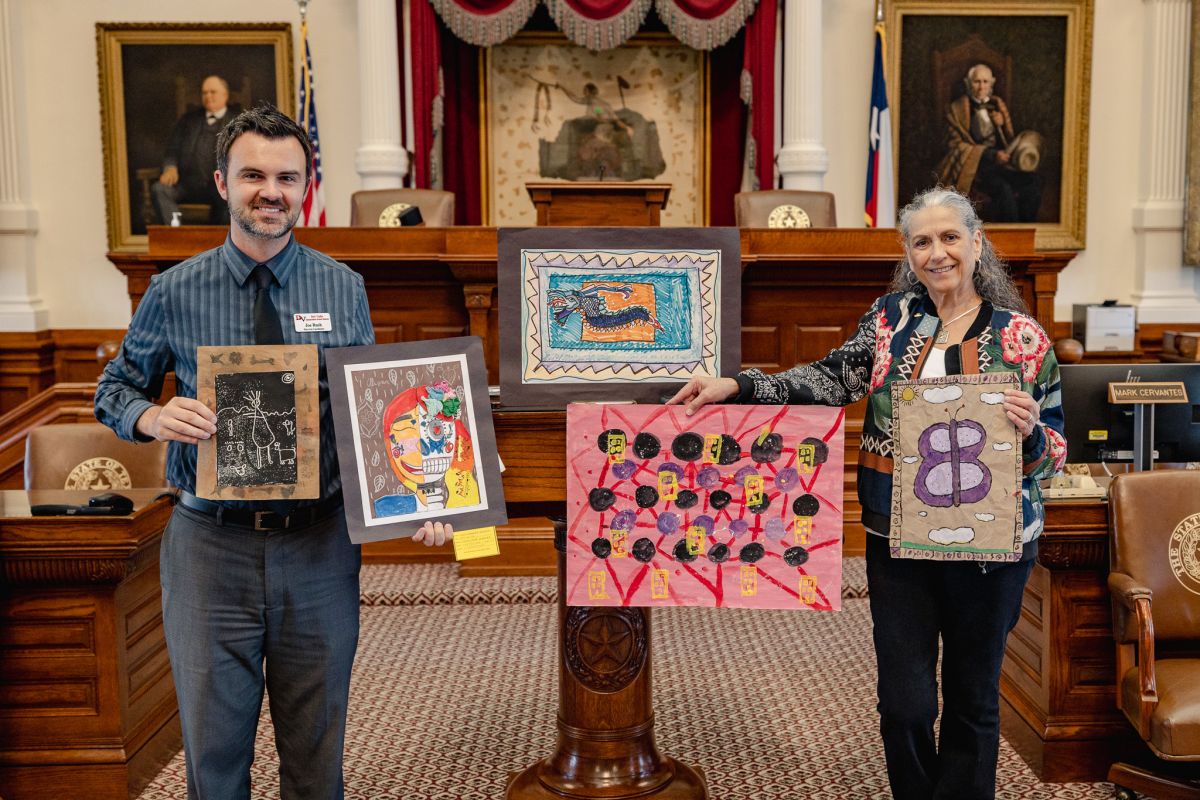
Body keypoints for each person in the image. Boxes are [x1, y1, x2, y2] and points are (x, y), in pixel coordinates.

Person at [95, 105, 452, 800]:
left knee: (318, 759)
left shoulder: (342, 286)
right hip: (209, 551)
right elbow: (115, 390)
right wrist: (154, 415)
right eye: (253, 174)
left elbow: (377, 409)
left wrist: (424, 496)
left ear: (306, 186)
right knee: (215, 757)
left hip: (317, 551)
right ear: (223, 182)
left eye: (288, 177)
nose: (271, 191)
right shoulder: (172, 290)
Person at [669, 186, 1066, 800]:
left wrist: (1032, 431)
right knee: (905, 704)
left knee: (972, 698)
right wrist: (738, 385)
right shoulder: (890, 321)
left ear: (977, 243)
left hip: (994, 546)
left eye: (950, 237)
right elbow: (828, 378)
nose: (938, 253)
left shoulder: (1023, 339)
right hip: (897, 537)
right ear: (909, 254)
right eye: (923, 242)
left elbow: (1056, 455)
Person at [936, 64, 1043, 223]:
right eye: (977, 81)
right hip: (977, 167)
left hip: (1004, 164)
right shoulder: (956, 109)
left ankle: (1026, 229)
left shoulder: (998, 105)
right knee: (1003, 189)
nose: (981, 87)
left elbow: (1009, 139)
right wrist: (991, 155)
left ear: (991, 84)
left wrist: (1002, 125)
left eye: (985, 82)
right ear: (968, 83)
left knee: (1033, 181)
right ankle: (1012, 234)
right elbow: (954, 145)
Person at [374, 380, 480, 517]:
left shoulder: (471, 503)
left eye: (436, 431)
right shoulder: (386, 508)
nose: (423, 449)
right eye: (405, 432)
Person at [151, 75, 242, 226]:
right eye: (204, 93)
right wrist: (170, 167)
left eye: (213, 92)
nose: (208, 96)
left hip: (219, 186)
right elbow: (172, 149)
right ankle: (177, 236)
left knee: (232, 196)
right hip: (186, 184)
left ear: (225, 95)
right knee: (160, 190)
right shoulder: (188, 120)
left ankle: (218, 243)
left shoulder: (238, 122)